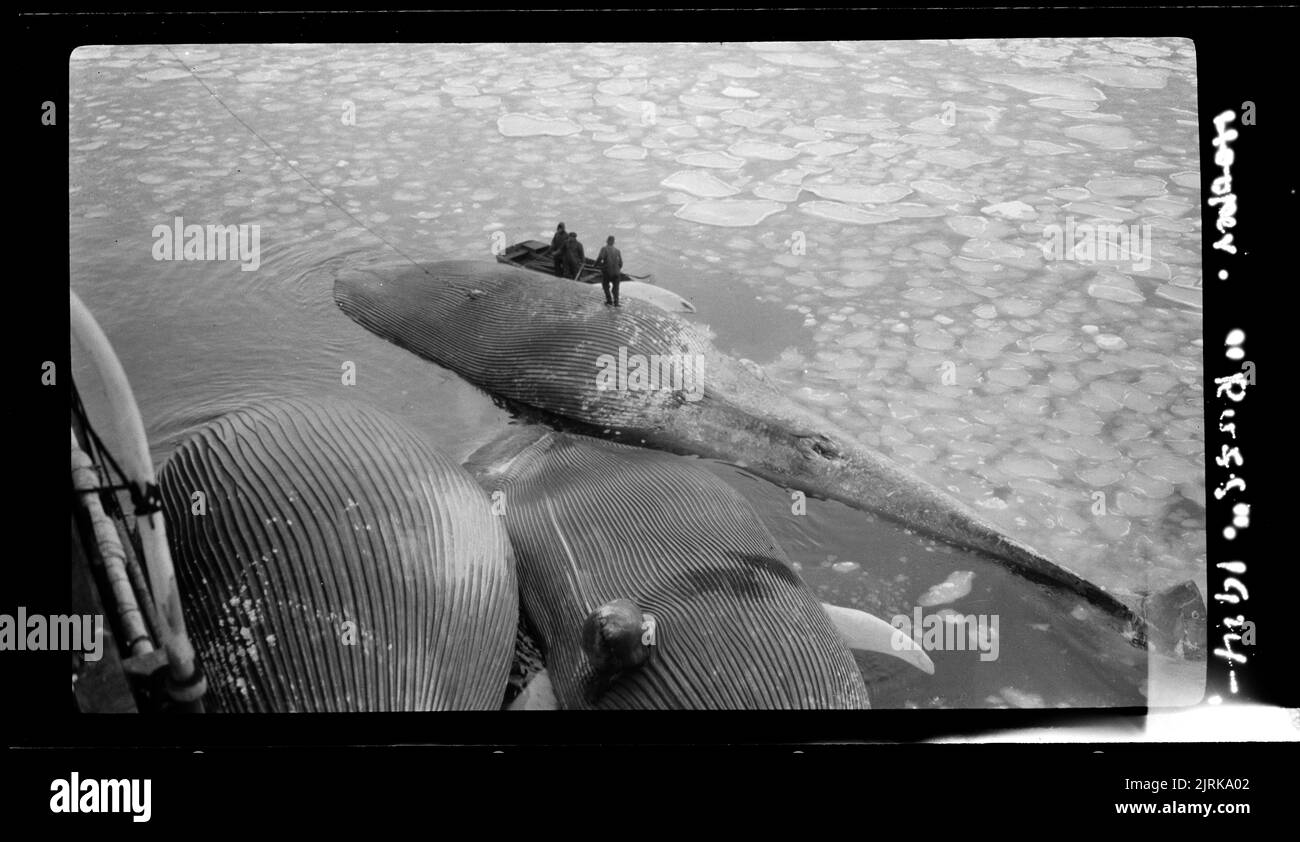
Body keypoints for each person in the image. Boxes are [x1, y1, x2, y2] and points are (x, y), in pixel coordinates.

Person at [594, 235, 623, 306]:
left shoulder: (604, 249)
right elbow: (621, 263)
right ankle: (616, 302)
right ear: (613, 242)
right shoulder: (617, 251)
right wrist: (618, 269)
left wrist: (595, 265)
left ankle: (609, 300)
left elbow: (600, 257)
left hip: (607, 272)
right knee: (616, 288)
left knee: (605, 285)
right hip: (616, 273)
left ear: (607, 241)